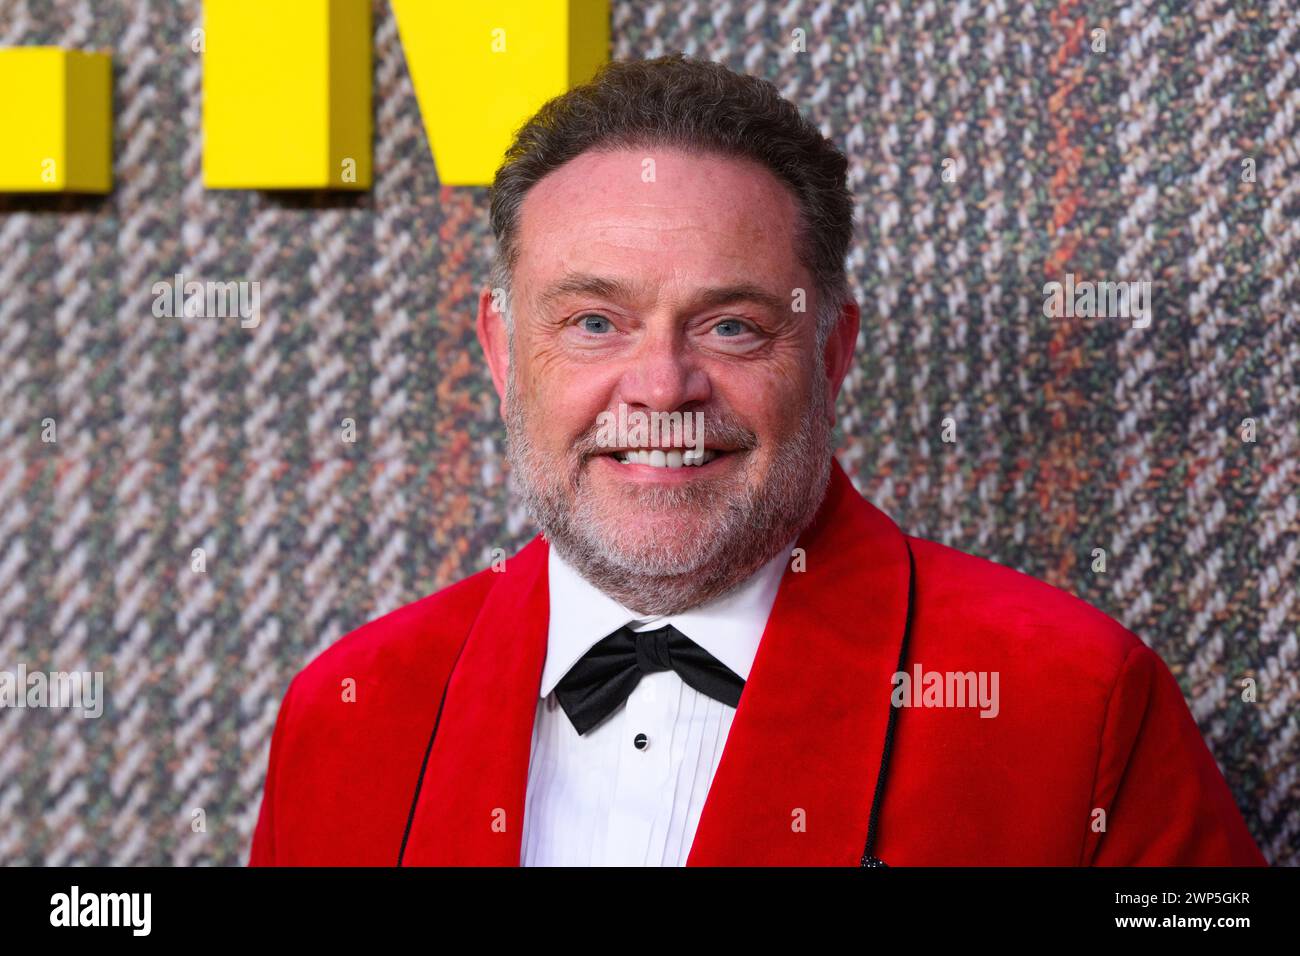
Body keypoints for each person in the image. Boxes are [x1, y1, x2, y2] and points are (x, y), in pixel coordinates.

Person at [249, 53, 1265, 866]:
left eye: (730, 325)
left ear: (830, 351)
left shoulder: (1077, 701)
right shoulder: (347, 711)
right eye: (595, 320)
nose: (660, 386)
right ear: (502, 352)